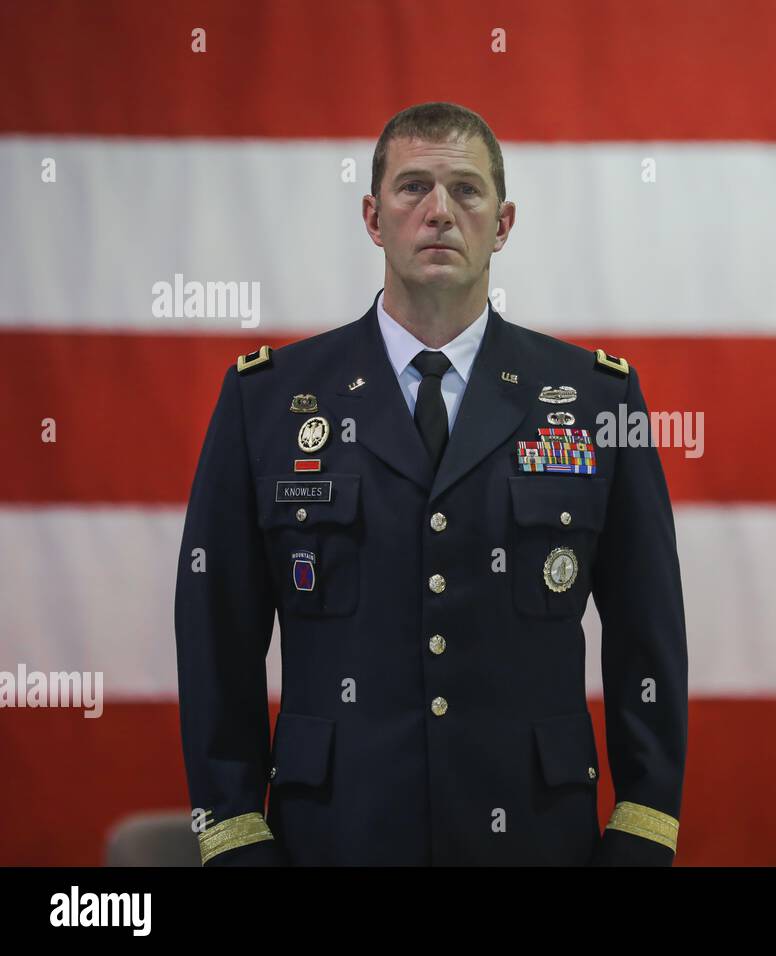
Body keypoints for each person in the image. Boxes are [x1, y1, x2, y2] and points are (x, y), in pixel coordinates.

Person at [173, 102, 688, 866]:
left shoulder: (597, 399)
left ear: (504, 223)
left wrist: (642, 830)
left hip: (536, 836)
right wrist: (235, 834)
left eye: (467, 192)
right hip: (336, 836)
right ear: (372, 218)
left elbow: (649, 632)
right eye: (412, 187)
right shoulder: (268, 400)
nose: (439, 212)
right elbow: (218, 636)